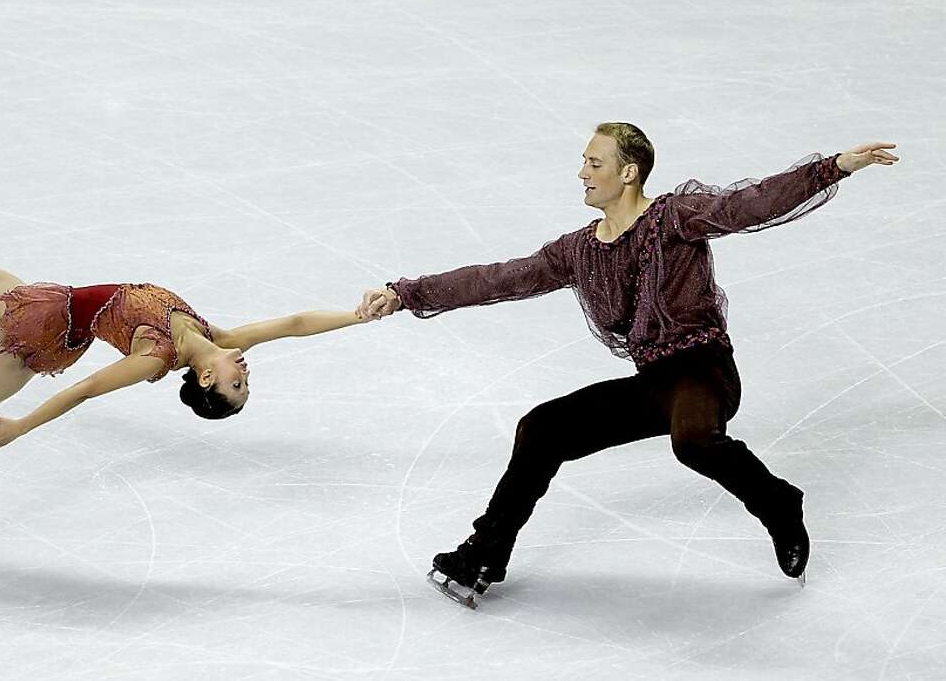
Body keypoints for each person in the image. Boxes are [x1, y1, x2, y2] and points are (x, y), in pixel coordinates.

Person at [358, 124, 898, 608]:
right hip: (654, 383)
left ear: (628, 171)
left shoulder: (674, 217)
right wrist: (405, 294)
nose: (582, 173)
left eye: (594, 163)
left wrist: (834, 167)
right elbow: (498, 277)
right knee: (542, 429)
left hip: (703, 370)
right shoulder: (578, 250)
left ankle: (779, 503)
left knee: (693, 441)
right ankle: (484, 553)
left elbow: (749, 204)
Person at [0, 184, 376, 560]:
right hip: (58, 313)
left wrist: (20, 427)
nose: (245, 371)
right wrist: (357, 316)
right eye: (245, 381)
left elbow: (84, 391)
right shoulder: (218, 337)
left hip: (47, 319)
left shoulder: (154, 356)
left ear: (205, 381)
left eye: (238, 385)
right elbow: (297, 322)